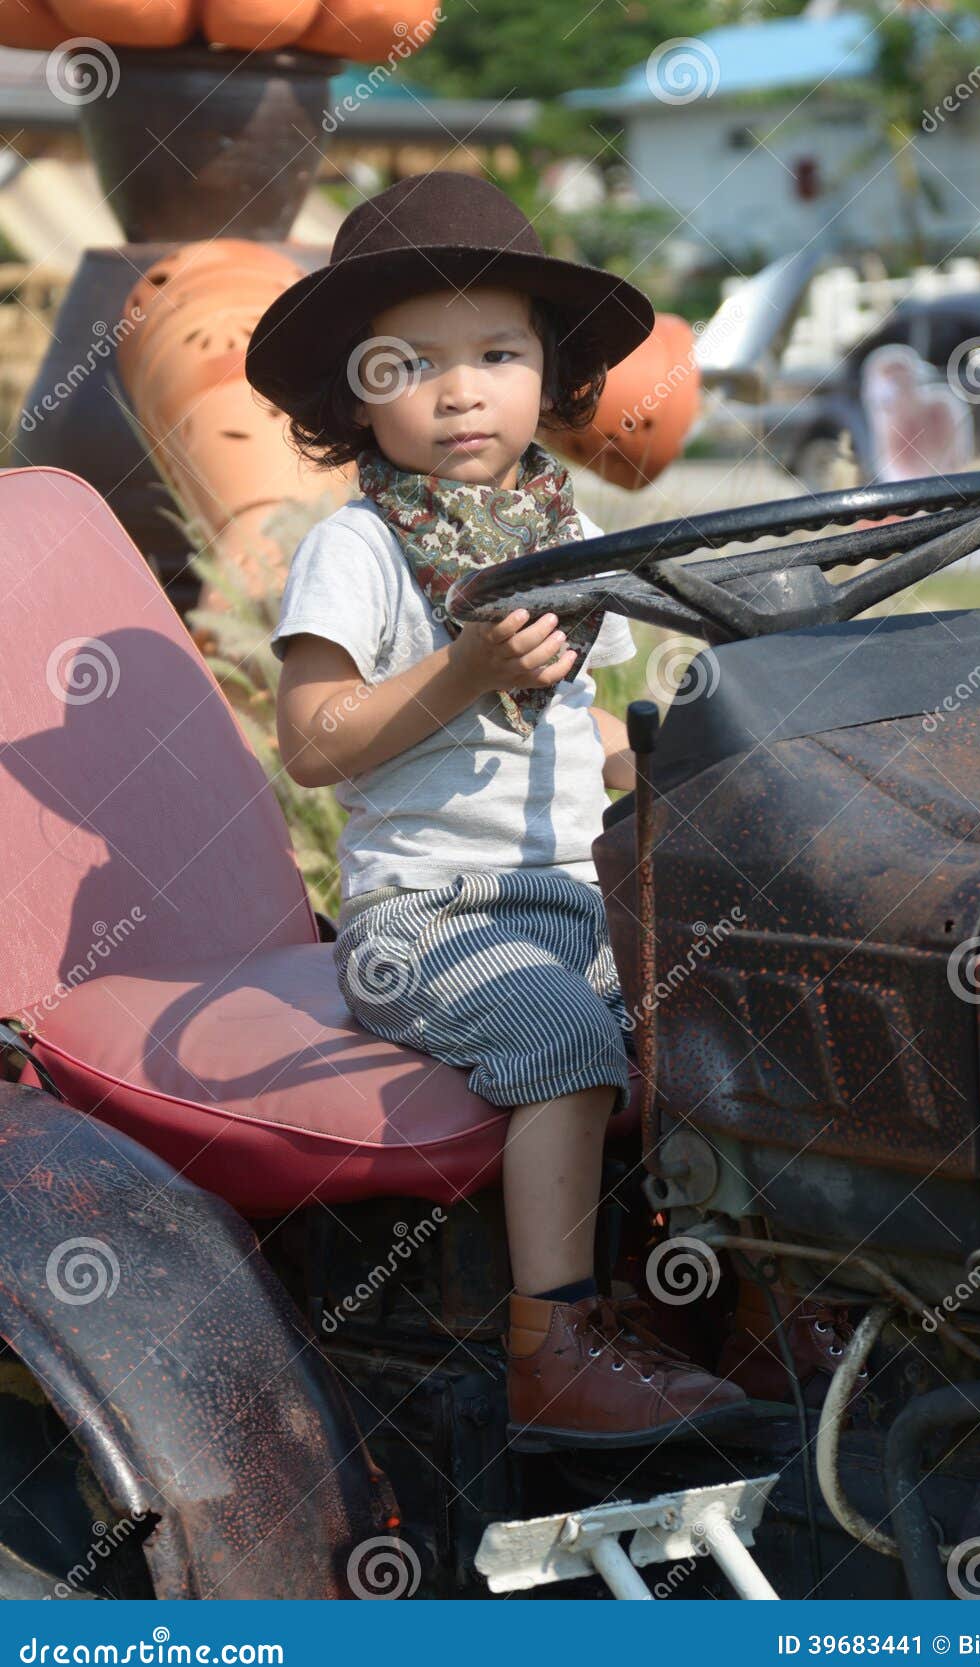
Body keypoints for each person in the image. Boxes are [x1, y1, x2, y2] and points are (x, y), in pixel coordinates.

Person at [245, 170, 746, 1447]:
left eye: (495, 354)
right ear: (347, 395)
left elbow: (586, 737)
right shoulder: (357, 550)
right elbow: (312, 743)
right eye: (407, 364)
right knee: (570, 1038)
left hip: (568, 894)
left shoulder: (563, 531)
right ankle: (554, 1348)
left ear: (548, 376)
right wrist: (462, 668)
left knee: (751, 997)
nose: (458, 389)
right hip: (424, 916)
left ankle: (757, 1297)